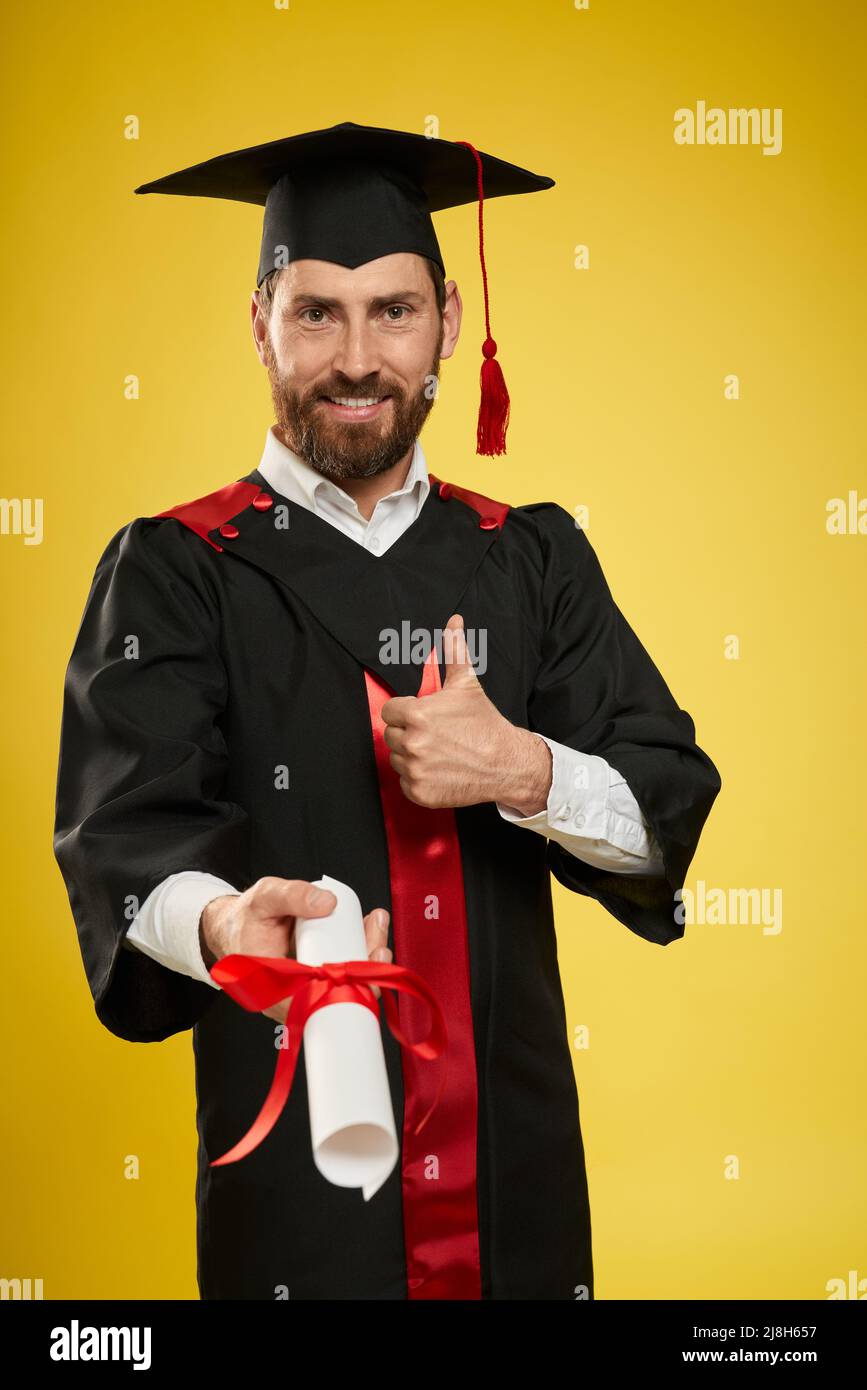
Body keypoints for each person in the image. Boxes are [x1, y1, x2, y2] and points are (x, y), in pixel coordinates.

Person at [53, 122, 721, 1301]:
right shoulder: (177, 567)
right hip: (302, 1168)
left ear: (450, 326)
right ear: (259, 319)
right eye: (317, 312)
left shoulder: (532, 559)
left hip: (518, 1179)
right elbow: (123, 838)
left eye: (394, 312)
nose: (357, 358)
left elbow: (664, 796)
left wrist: (525, 770)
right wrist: (221, 925)